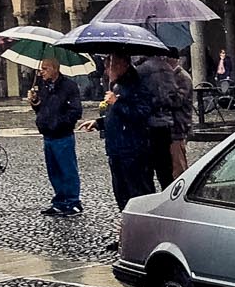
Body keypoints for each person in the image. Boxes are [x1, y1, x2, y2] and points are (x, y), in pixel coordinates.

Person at [82, 53, 160, 208]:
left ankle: (142, 226)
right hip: (117, 149)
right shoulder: (117, 85)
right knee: (121, 192)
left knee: (138, 193)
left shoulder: (138, 84)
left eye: (109, 65)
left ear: (122, 65)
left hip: (133, 149)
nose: (106, 69)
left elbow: (141, 113)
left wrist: (116, 102)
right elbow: (117, 117)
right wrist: (99, 123)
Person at [28, 57, 84, 217]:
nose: (41, 72)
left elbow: (75, 111)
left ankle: (73, 202)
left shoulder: (69, 86)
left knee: (67, 170)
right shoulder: (42, 86)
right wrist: (35, 103)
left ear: (55, 69)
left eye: (45, 69)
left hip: (63, 135)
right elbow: (41, 110)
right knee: (54, 171)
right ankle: (60, 201)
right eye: (41, 69)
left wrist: (59, 123)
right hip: (47, 134)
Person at [136, 51, 195, 188]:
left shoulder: (182, 77)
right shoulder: (168, 76)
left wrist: (163, 96)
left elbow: (177, 101)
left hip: (178, 126)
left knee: (178, 168)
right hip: (170, 127)